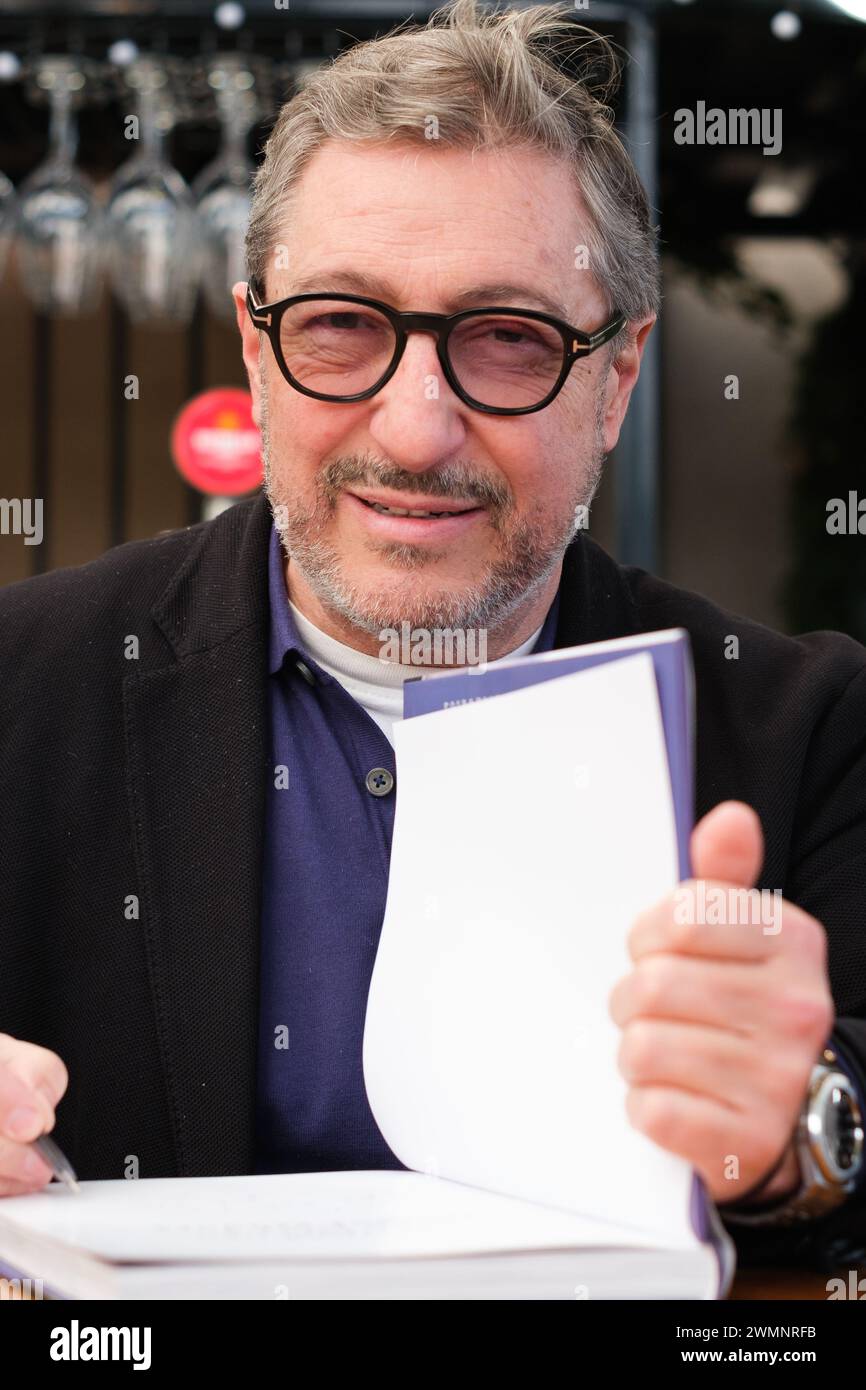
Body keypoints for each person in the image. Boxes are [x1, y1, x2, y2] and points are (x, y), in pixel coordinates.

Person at [1, 0, 864, 1269]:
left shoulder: (810, 732)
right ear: (256, 349)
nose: (413, 431)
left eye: (507, 340)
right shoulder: (22, 688)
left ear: (616, 381)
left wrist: (800, 1134)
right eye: (342, 325)